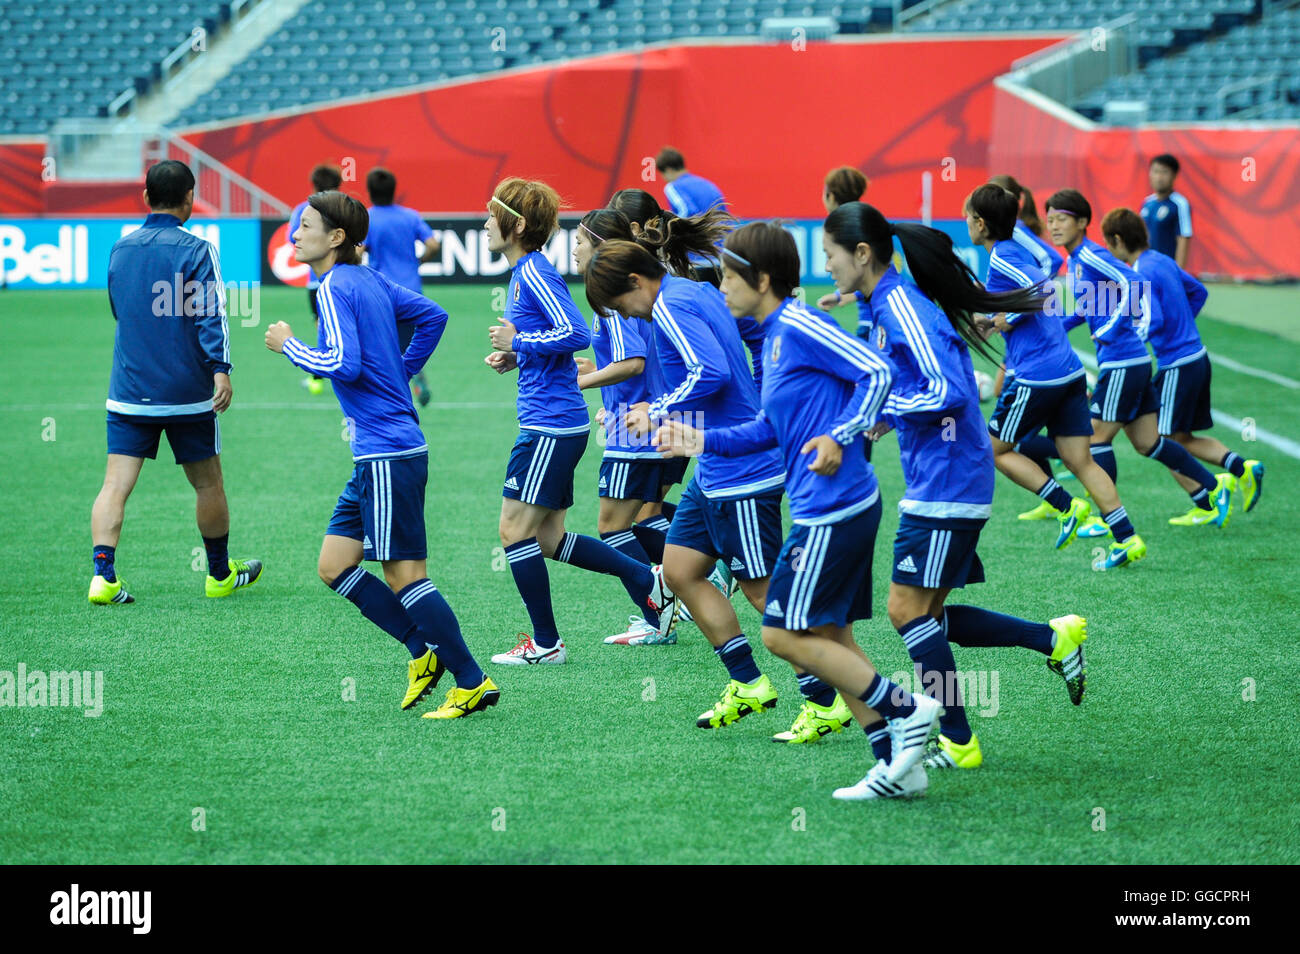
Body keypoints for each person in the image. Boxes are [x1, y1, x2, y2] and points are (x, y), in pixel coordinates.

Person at [656, 222, 947, 799]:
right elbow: (769, 428)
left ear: (762, 280)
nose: (723, 289)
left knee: (783, 634)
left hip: (835, 508)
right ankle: (897, 765)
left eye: (731, 278)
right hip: (826, 506)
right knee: (832, 633)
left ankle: (907, 708)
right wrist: (698, 441)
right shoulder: (772, 336)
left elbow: (880, 371)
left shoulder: (801, 323)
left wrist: (843, 433)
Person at [822, 200, 1092, 771]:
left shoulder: (900, 306)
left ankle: (959, 739)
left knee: (906, 612)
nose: (828, 266)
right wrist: (883, 415)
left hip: (948, 480)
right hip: (944, 475)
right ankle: (1052, 640)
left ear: (862, 254)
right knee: (928, 615)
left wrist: (881, 407)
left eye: (831, 254)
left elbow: (946, 390)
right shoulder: (891, 302)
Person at [265, 191, 497, 719]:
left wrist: (289, 346)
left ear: (336, 238)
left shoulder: (332, 287)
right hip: (377, 453)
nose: (295, 234)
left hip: (387, 453)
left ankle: (471, 679)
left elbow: (342, 363)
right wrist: (403, 369)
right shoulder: (368, 278)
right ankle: (421, 650)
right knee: (334, 565)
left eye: (305, 226)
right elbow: (433, 316)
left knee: (405, 574)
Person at [584, 240, 794, 732]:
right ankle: (748, 683)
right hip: (713, 468)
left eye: (619, 305)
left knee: (765, 594)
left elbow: (711, 372)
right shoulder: (692, 291)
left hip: (742, 471)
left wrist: (654, 411)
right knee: (679, 570)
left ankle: (828, 693)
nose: (626, 317)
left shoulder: (671, 303)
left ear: (636, 283)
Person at [482, 179, 673, 665]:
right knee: (547, 539)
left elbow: (572, 333)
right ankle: (643, 577)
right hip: (554, 422)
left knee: (513, 533)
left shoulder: (533, 273)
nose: (485, 223)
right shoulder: (528, 271)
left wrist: (519, 344)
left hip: (550, 425)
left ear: (517, 225)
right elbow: (556, 337)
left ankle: (546, 644)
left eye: (492, 214)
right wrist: (517, 357)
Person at [89, 159, 262, 606]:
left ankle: (103, 577)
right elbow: (211, 314)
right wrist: (220, 367)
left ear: (145, 198)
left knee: (114, 485)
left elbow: (118, 309)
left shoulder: (120, 249)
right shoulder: (198, 249)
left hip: (129, 391)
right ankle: (219, 574)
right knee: (208, 485)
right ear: (190, 198)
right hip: (187, 393)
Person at [1046, 189, 1228, 550]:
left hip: (1122, 363)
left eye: (1062, 218)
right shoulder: (1077, 261)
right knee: (1148, 442)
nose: (1054, 225)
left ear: (1082, 223)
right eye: (1050, 219)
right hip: (1133, 363)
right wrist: (1057, 327)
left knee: (1095, 439)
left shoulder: (1092, 255)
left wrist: (1114, 325)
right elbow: (1088, 308)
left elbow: (1133, 282)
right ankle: (1213, 488)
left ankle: (1103, 520)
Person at [964, 183, 1139, 554]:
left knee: (993, 449)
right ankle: (1128, 538)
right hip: (1069, 371)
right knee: (1080, 459)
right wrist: (996, 321)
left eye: (967, 216)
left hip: (1037, 375)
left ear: (980, 224)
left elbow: (1043, 292)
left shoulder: (1001, 257)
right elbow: (1045, 269)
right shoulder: (1014, 249)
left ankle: (1066, 506)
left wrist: (1005, 317)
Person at [1100, 207, 1263, 520]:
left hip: (1177, 363)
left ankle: (1211, 497)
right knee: (1182, 437)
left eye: (1109, 243)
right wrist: (1184, 323)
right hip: (1196, 357)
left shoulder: (1141, 272)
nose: (1109, 249)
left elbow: (1154, 320)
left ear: (1119, 240)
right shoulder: (1161, 259)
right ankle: (1241, 470)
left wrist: (1131, 341)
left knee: (1161, 440)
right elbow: (1198, 292)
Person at [571, 209, 673, 644]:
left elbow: (634, 363)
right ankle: (675, 595)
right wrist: (599, 374)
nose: (573, 249)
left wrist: (585, 381)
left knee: (613, 529)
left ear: (598, 245)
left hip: (635, 430)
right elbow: (627, 360)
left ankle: (659, 613)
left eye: (578, 240)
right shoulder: (616, 296)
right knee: (639, 521)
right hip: (631, 423)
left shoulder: (612, 301)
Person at [364, 167, 441, 407]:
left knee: (381, 346)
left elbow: (357, 249)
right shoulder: (410, 216)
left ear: (370, 191)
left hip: (380, 292)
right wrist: (418, 262)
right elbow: (432, 244)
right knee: (409, 343)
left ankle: (389, 396)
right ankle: (418, 378)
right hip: (410, 290)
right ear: (393, 190)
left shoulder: (367, 218)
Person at [288, 163, 343, 395]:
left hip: (317, 281)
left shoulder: (304, 208)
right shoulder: (346, 208)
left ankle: (318, 377)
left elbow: (294, 238)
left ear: (314, 184)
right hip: (345, 278)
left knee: (322, 327)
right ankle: (327, 373)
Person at [653, 147, 730, 285]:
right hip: (722, 255)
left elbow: (686, 212)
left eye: (663, 174)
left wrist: (662, 235)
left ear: (669, 170)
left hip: (697, 258)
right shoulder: (707, 184)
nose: (664, 179)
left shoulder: (673, 186)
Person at [1141, 154, 1193, 269]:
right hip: (1147, 268)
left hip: (1167, 269)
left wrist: (1178, 274)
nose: (1159, 177)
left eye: (1164, 172)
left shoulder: (1180, 204)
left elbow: (1183, 239)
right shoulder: (1147, 203)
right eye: (1155, 171)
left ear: (1174, 175)